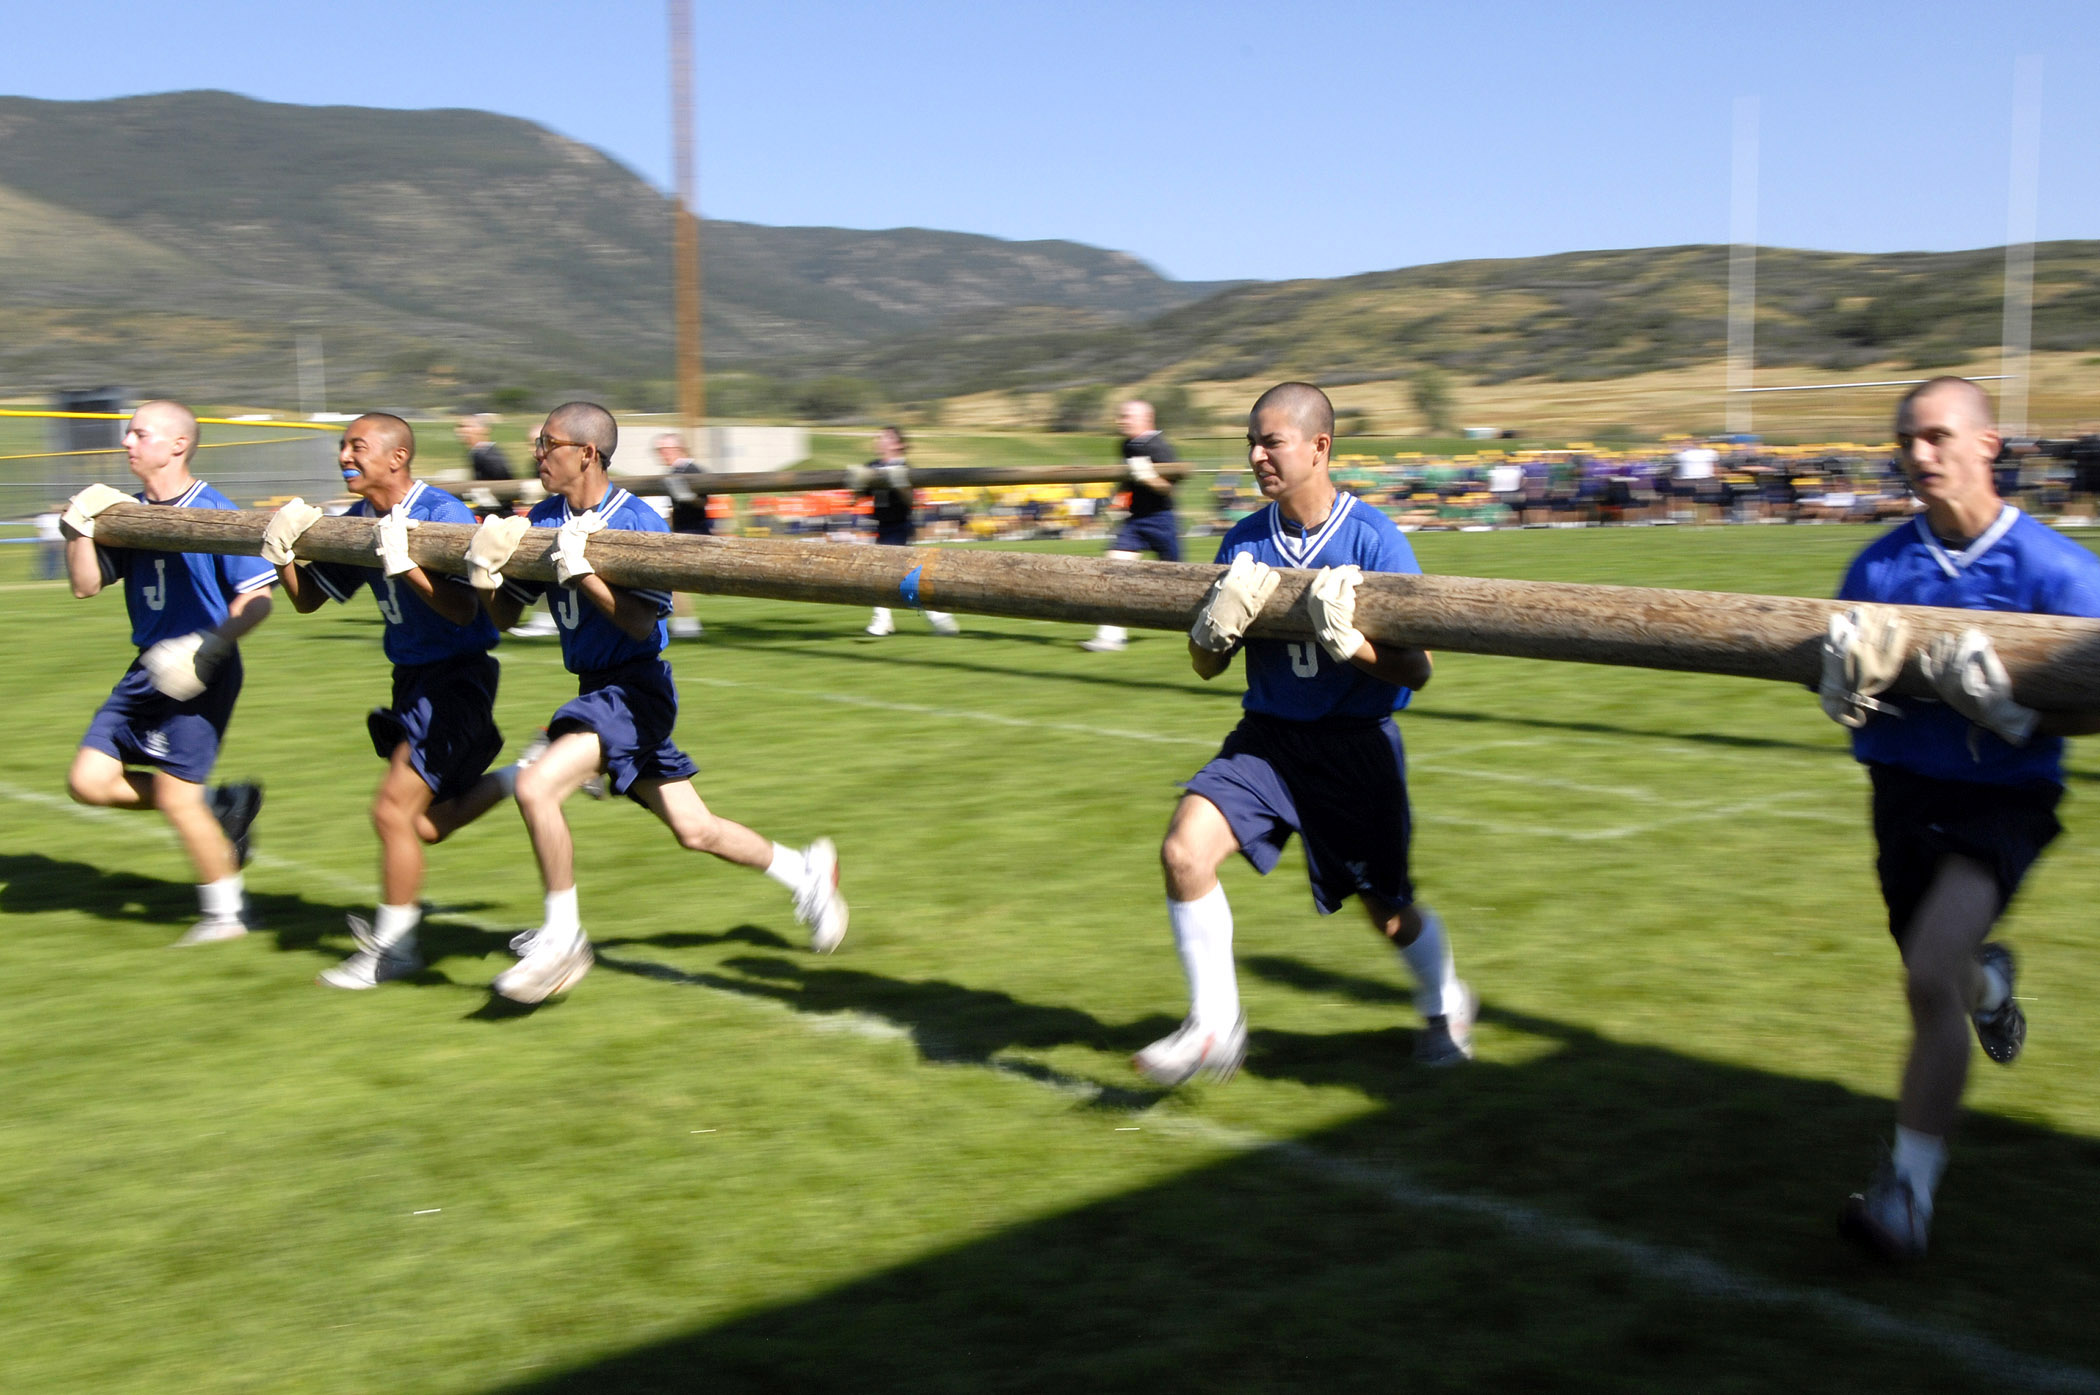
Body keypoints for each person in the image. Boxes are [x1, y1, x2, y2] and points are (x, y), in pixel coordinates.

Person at [1819, 376, 2100, 1260]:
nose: (1918, 454)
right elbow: (1847, 680)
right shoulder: (1877, 567)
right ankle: (1992, 987)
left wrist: (2021, 717)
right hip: (1903, 797)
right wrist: (1846, 697)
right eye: (1906, 439)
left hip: (2001, 799)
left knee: (1927, 975)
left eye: (1937, 436)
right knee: (1939, 975)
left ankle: (1906, 1195)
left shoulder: (2062, 572)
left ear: (1988, 443)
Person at [1135, 382, 1473, 1086]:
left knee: (1387, 911)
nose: (1256, 456)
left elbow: (1419, 670)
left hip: (1354, 746)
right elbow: (1205, 666)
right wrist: (1212, 633)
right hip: (1268, 739)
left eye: (1271, 442)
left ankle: (1445, 1002)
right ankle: (1214, 1025)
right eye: (1251, 444)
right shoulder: (1243, 537)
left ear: (1320, 447)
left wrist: (1353, 645)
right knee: (1184, 851)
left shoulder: (1374, 538)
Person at [467, 402, 849, 1003]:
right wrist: (484, 575)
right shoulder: (542, 516)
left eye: (547, 443)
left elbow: (643, 623)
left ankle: (563, 940)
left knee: (537, 786)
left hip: (635, 690)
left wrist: (583, 572)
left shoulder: (637, 521)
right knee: (696, 830)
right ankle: (804, 871)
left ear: (586, 454)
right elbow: (506, 617)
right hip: (596, 691)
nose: (536, 453)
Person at [261, 414, 521, 988]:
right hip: (410, 681)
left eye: (357, 446)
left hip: (456, 678)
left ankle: (395, 953)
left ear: (397, 457)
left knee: (390, 813)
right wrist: (280, 554)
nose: (344, 457)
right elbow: (308, 600)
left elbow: (466, 610)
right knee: (425, 825)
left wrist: (405, 566)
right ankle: (530, 773)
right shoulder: (360, 517)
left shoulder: (441, 513)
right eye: (342, 446)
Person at [59, 400, 275, 945]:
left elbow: (258, 600)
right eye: (128, 434)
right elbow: (85, 586)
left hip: (202, 669)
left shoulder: (215, 510)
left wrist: (210, 645)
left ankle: (227, 917)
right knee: (87, 782)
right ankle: (220, 806)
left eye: (140, 434)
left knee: (178, 799)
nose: (126, 443)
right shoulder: (126, 513)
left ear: (179, 444)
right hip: (147, 667)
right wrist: (77, 529)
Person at [1084, 399, 1184, 652]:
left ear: (1145, 419)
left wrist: (1148, 477)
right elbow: (1127, 481)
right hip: (1134, 521)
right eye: (1121, 416)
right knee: (1114, 570)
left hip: (1161, 520)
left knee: (1180, 581)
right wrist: (1117, 502)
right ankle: (1111, 637)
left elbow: (1170, 488)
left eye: (1127, 416)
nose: (1121, 421)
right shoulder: (1126, 445)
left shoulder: (1160, 446)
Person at [851, 426, 959, 637]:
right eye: (879, 437)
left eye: (886, 437)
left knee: (890, 575)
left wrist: (899, 482)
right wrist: (857, 484)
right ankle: (938, 618)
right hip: (881, 528)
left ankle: (888, 621)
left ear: (899, 444)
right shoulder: (872, 467)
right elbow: (855, 499)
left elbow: (911, 501)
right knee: (899, 577)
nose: (880, 441)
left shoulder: (906, 468)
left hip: (900, 527)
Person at [654, 431, 710, 639]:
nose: (662, 454)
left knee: (674, 580)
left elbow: (703, 501)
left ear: (677, 449)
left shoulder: (692, 470)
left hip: (693, 532)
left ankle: (687, 625)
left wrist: (687, 497)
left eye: (664, 449)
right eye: (660, 450)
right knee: (673, 581)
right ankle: (684, 623)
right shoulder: (675, 471)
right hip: (682, 532)